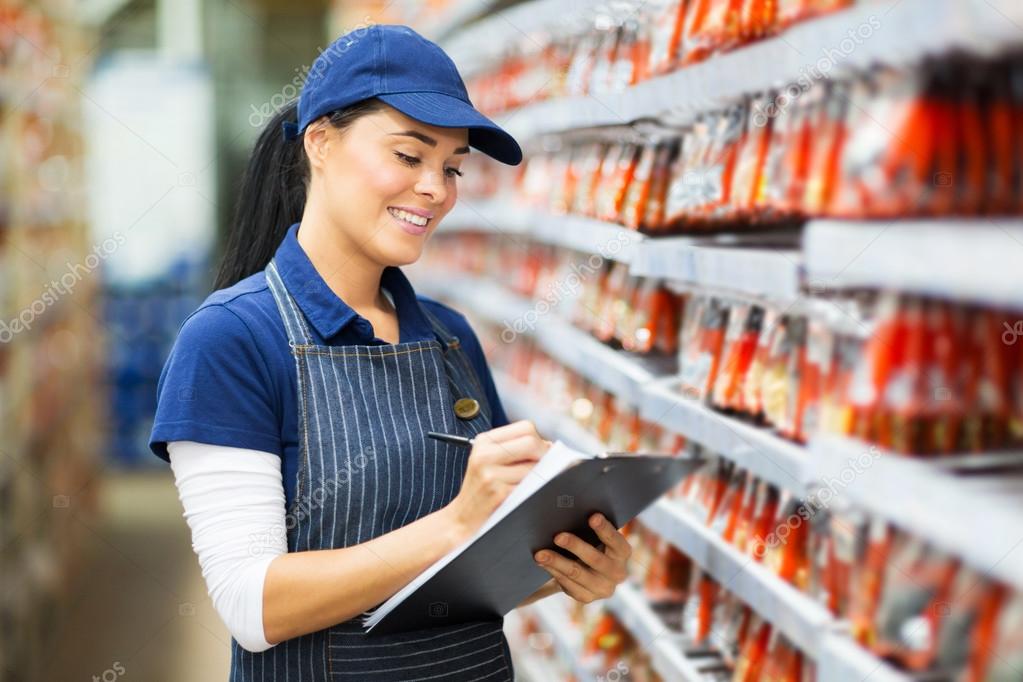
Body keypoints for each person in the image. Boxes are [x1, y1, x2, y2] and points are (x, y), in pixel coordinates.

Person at [149, 24, 631, 681]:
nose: (436, 188)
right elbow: (251, 604)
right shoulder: (232, 340)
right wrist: (458, 522)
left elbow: (459, 584)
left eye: (453, 166)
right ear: (319, 142)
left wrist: (565, 566)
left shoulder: (449, 336)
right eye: (409, 156)